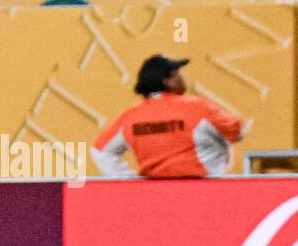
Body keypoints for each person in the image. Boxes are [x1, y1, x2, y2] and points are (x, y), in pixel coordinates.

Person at [92, 54, 245, 178]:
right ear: (166, 81)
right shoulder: (197, 106)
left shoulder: (129, 117)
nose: (183, 78)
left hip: (156, 195)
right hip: (207, 190)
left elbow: (100, 151)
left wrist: (130, 182)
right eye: (177, 74)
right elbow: (236, 131)